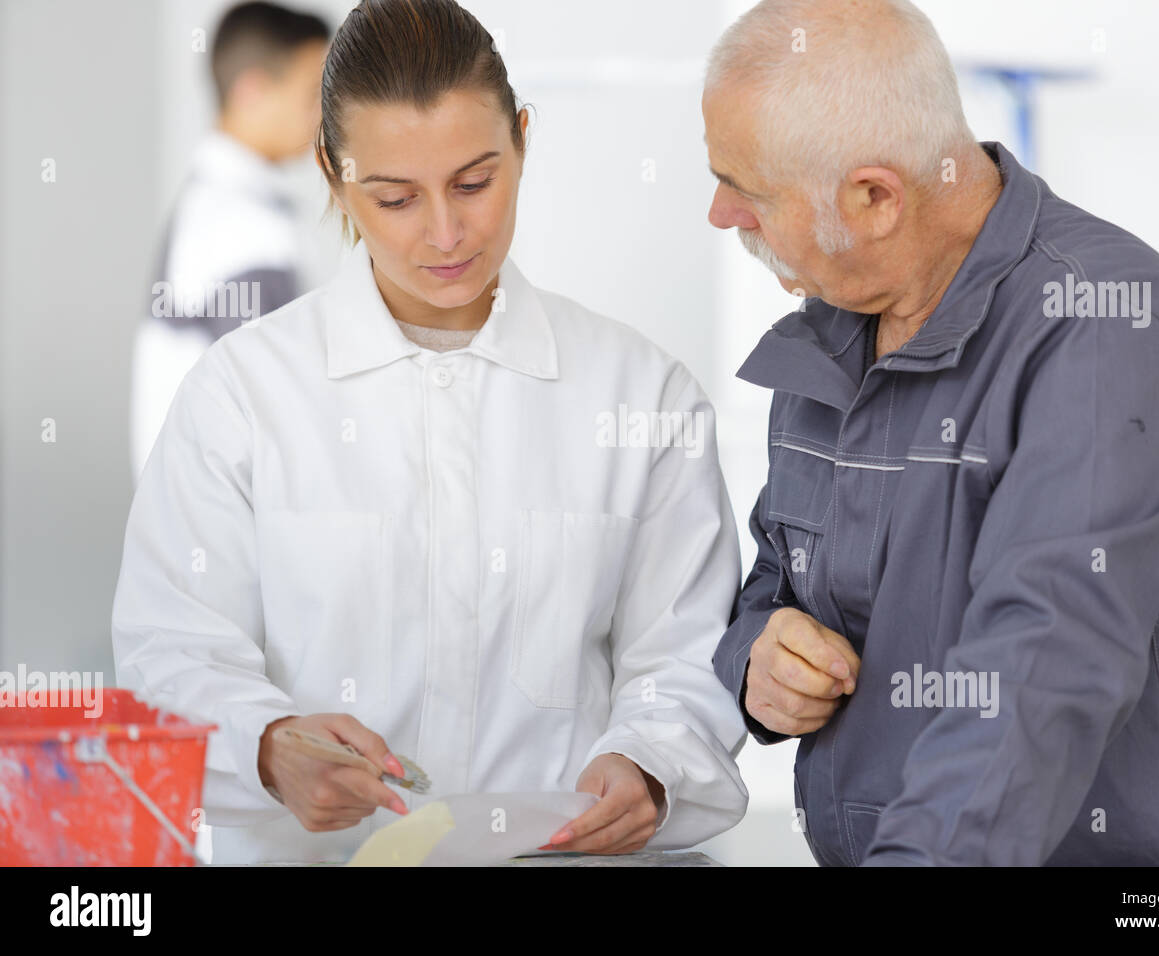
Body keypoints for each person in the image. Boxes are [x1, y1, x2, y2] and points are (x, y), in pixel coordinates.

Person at [112, 0, 747, 864]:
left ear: (522, 140)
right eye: (396, 197)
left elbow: (687, 657)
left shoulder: (642, 396)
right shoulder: (242, 395)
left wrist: (650, 762)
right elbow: (168, 649)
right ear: (333, 175)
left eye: (475, 182)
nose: (446, 234)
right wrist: (264, 746)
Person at [706, 0, 1159, 865]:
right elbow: (778, 576)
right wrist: (758, 658)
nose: (721, 214)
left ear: (875, 198)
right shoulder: (833, 329)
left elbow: (1038, 679)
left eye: (746, 189)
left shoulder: (1101, 329)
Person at [129, 2, 331, 483]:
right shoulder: (244, 226)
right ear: (251, 91)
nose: (325, 113)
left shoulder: (214, 204)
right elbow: (279, 407)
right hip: (223, 532)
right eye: (312, 93)